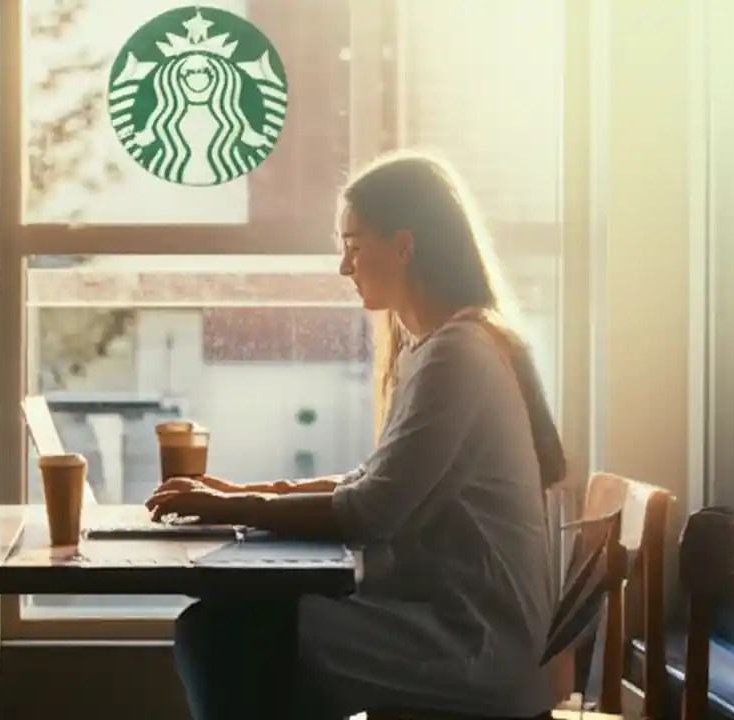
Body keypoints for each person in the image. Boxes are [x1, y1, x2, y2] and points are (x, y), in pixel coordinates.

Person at [145, 151, 568, 719]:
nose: (345, 265)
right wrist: (257, 493)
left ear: (403, 245)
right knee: (231, 629)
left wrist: (237, 504)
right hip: (456, 621)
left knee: (218, 635)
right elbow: (373, 481)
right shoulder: (443, 347)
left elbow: (372, 511)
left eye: (353, 243)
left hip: (470, 641)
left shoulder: (457, 355)